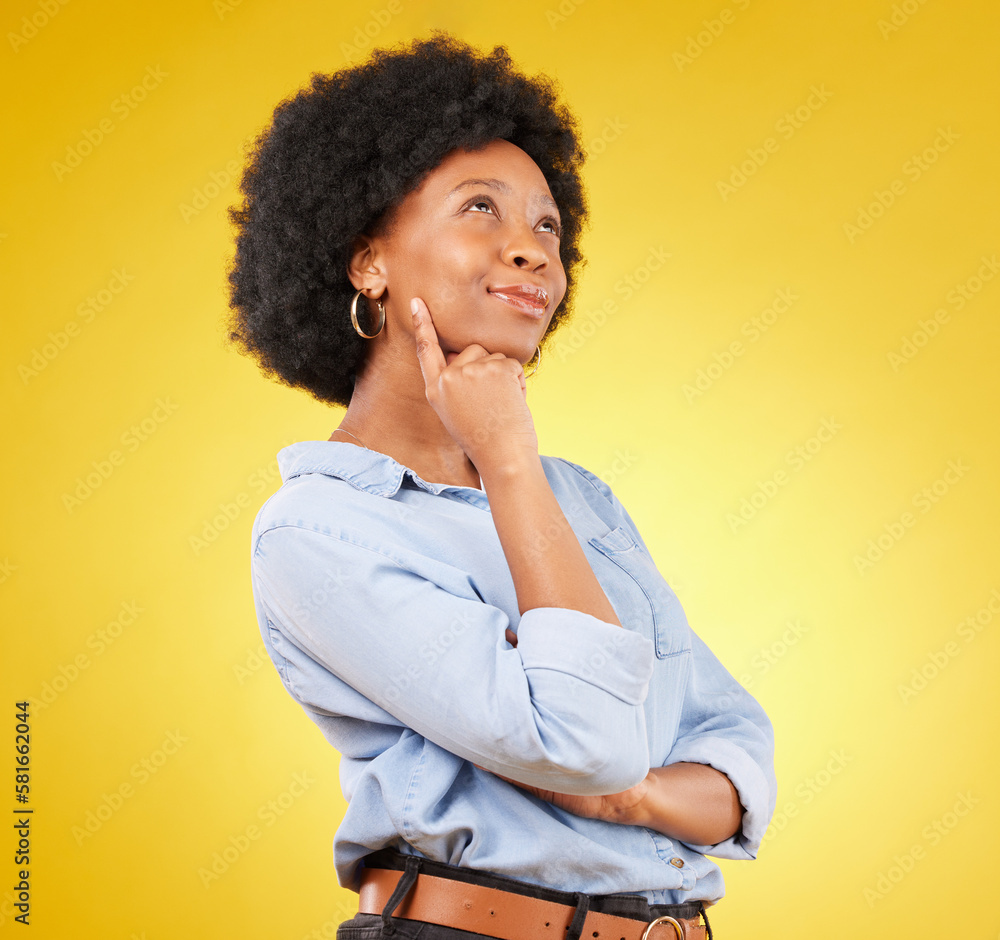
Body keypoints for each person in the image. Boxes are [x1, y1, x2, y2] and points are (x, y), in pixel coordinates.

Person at [226, 33, 776, 940]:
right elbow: (588, 742)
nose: (531, 250)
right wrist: (509, 457)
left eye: (548, 225)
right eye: (480, 208)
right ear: (368, 258)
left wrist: (631, 795)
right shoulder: (318, 530)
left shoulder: (582, 499)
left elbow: (734, 754)